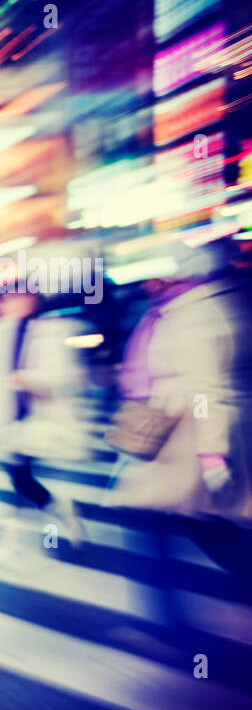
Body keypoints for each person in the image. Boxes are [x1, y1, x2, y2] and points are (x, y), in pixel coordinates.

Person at [105, 241, 252, 588]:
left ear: (177, 275)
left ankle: (167, 620)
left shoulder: (193, 316)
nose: (146, 283)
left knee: (195, 523)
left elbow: (205, 390)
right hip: (170, 435)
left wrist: (212, 455)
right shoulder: (171, 312)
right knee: (173, 518)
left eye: (154, 275)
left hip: (189, 439)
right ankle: (166, 616)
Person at [0, 285, 89, 560]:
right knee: (18, 479)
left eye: (15, 298)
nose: (7, 304)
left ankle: (13, 541)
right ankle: (55, 514)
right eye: (6, 299)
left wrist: (27, 379)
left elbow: (66, 378)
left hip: (37, 421)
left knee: (18, 480)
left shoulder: (50, 332)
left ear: (33, 300)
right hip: (8, 420)